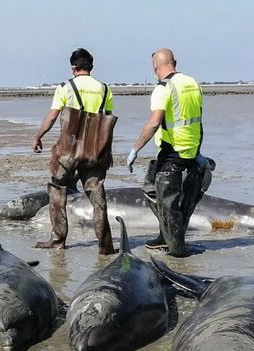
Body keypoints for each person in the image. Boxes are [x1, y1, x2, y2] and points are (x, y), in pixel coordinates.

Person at [31, 48, 114, 253]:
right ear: (91, 67)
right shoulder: (104, 89)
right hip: (95, 150)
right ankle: (105, 245)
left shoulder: (65, 87)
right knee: (97, 197)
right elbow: (107, 122)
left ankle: (58, 240)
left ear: (73, 67)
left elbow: (52, 117)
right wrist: (107, 153)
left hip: (68, 150)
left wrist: (38, 136)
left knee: (58, 189)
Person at [126, 48, 205, 258]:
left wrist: (135, 149)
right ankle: (165, 236)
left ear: (155, 67)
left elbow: (154, 122)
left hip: (173, 153)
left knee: (169, 204)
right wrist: (197, 151)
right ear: (174, 62)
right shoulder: (192, 83)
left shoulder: (163, 87)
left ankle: (178, 253)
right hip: (191, 150)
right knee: (150, 188)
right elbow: (197, 117)